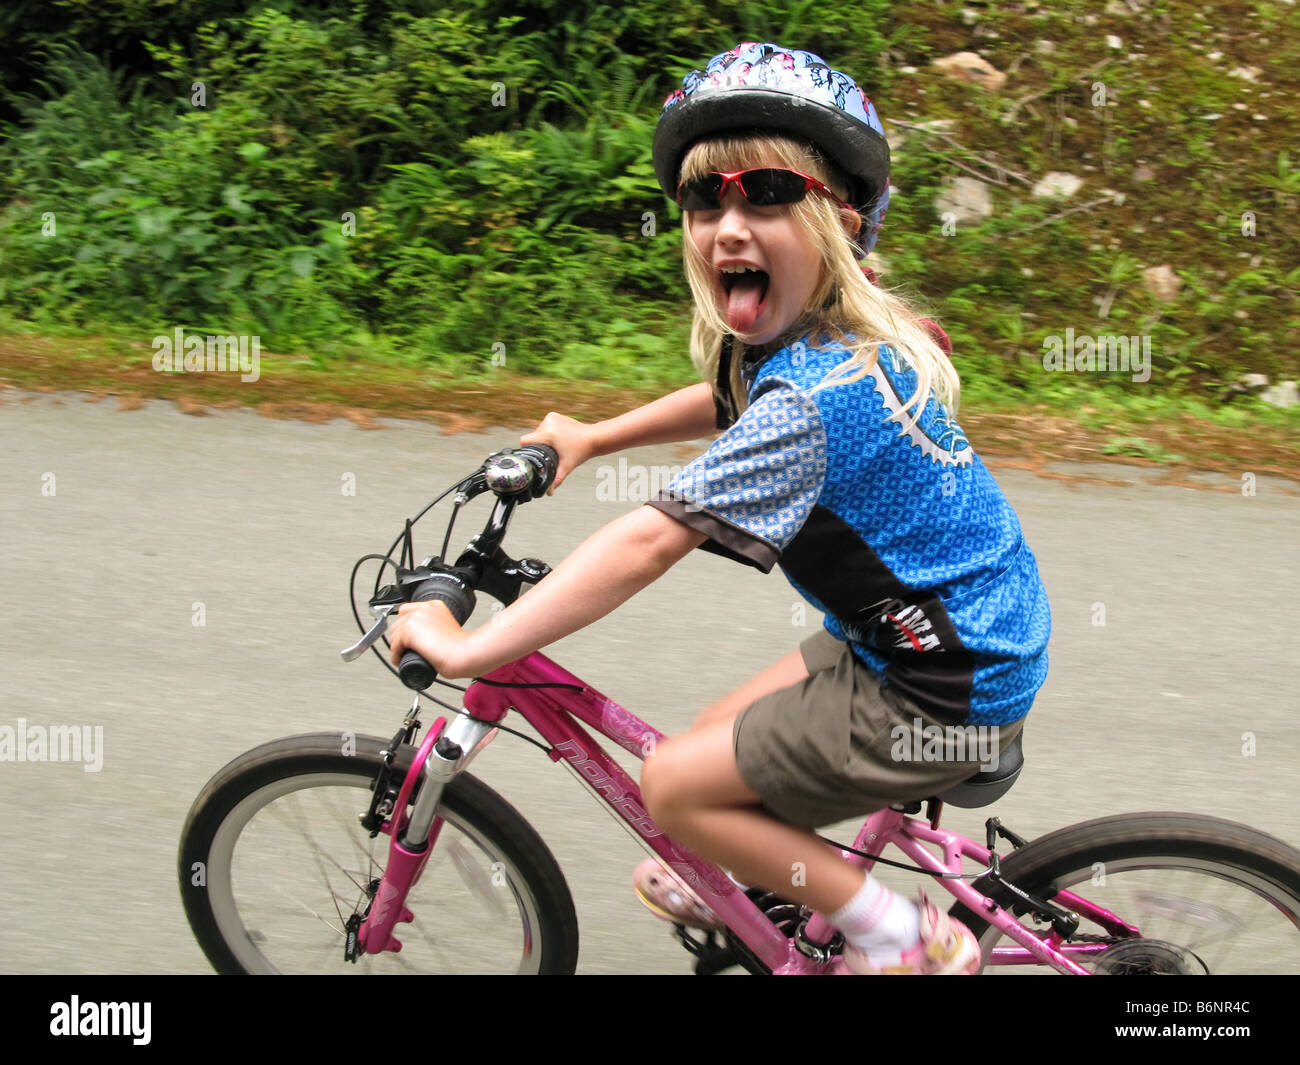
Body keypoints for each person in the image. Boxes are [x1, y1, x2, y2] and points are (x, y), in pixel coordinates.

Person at [387, 42, 1051, 975]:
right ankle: (770, 876)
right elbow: (727, 398)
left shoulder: (821, 398)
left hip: (942, 683)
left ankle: (906, 937)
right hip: (945, 637)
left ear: (838, 219)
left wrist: (471, 648)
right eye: (707, 199)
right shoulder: (818, 337)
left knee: (674, 788)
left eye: (767, 192)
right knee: (705, 746)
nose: (728, 225)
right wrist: (592, 436)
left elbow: (650, 539)